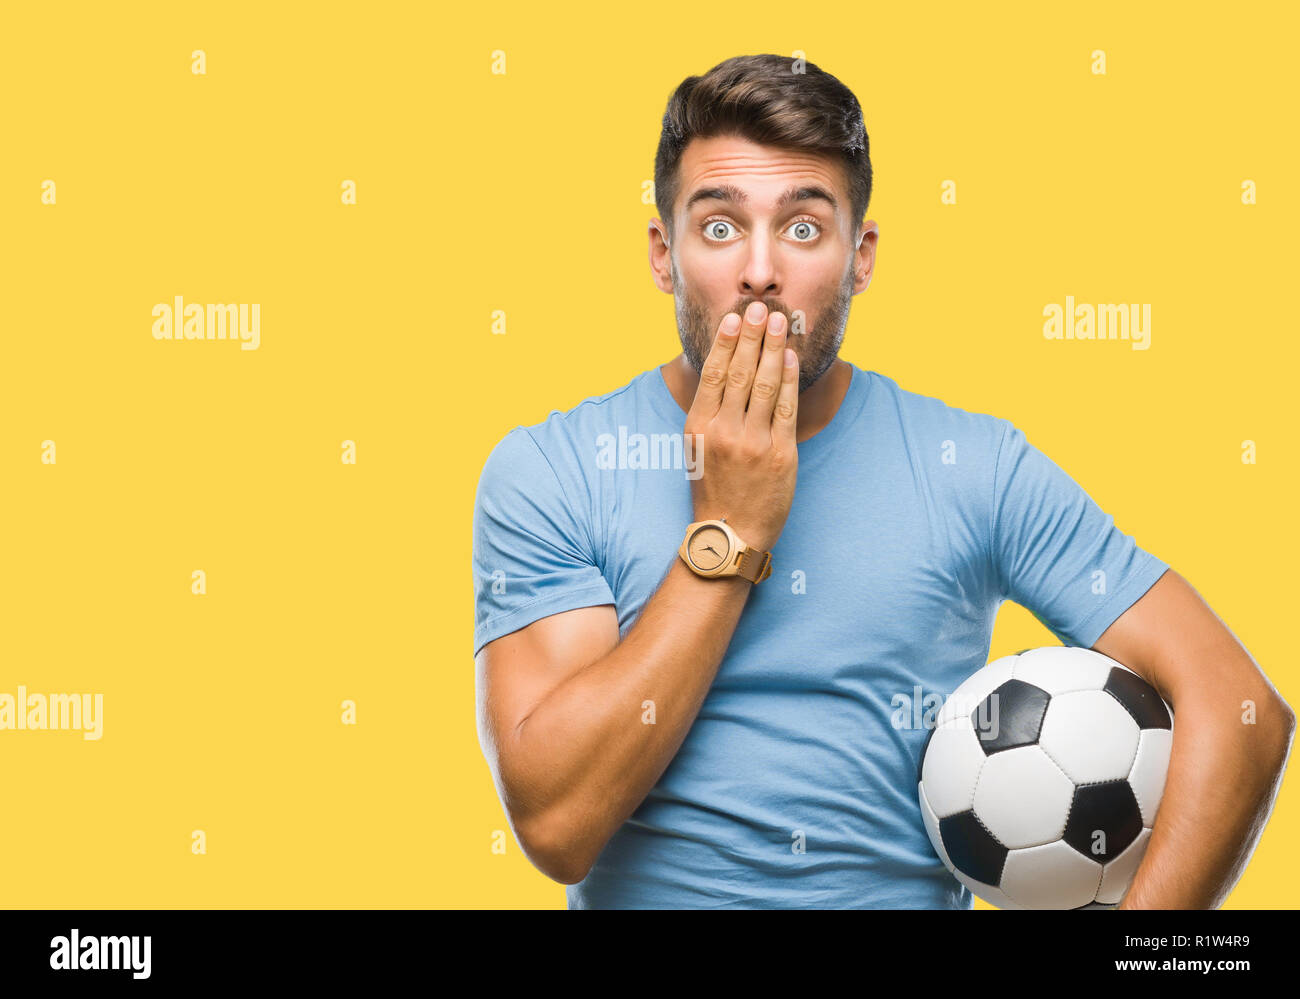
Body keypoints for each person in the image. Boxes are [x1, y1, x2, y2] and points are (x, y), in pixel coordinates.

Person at [471, 54, 1293, 909]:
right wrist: (730, 538)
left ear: (860, 257)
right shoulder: (553, 469)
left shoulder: (976, 466)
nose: (759, 271)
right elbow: (557, 825)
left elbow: (1239, 708)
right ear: (662, 253)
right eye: (719, 227)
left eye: (802, 228)